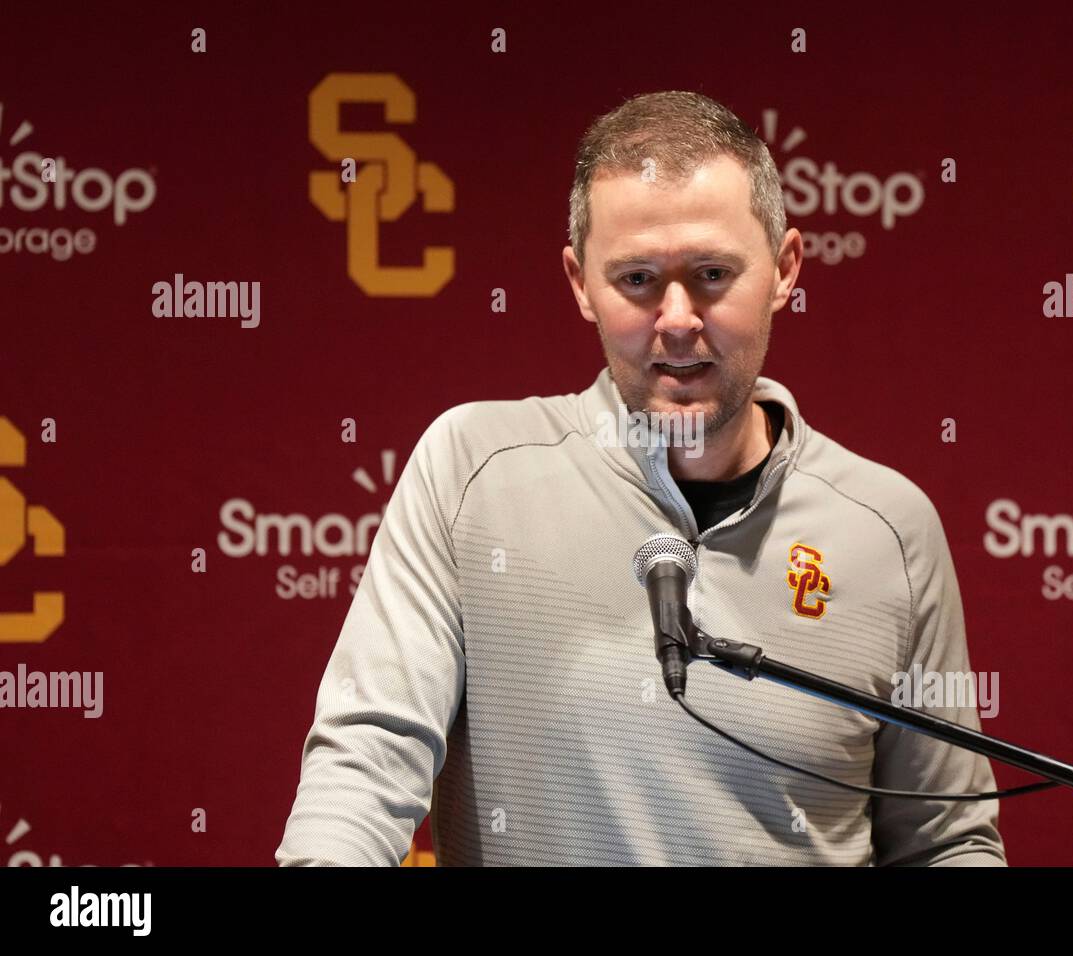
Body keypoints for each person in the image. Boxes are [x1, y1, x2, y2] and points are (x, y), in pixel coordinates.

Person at [276, 90, 1006, 866]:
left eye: (713, 273)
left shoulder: (890, 530)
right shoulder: (471, 472)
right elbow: (365, 764)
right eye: (636, 280)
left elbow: (946, 842)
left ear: (785, 269)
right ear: (579, 283)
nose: (678, 318)